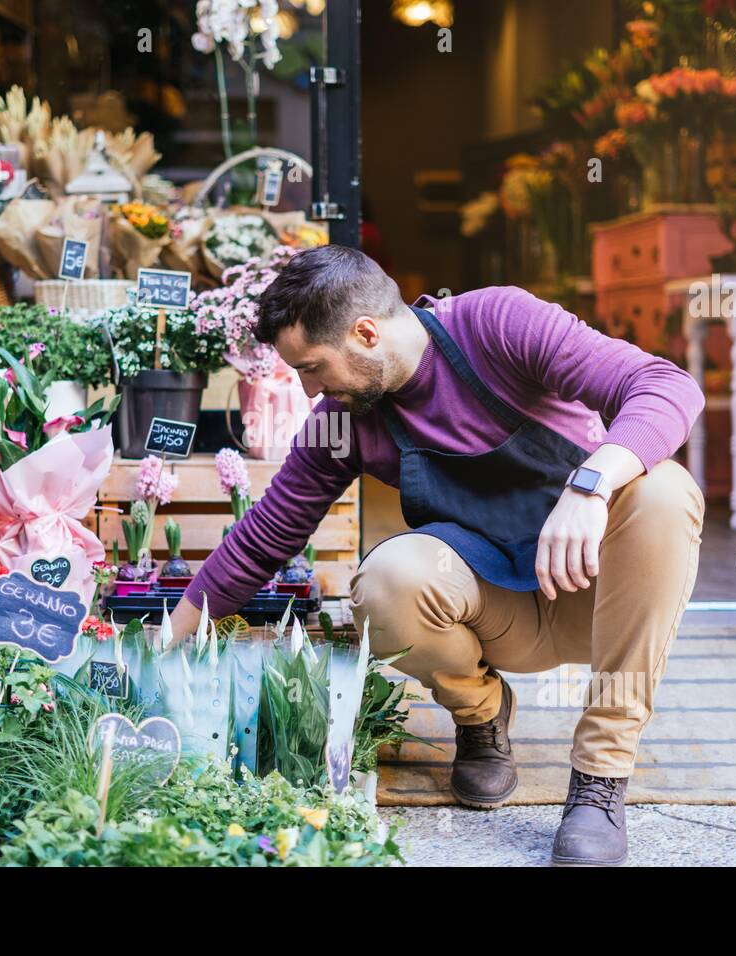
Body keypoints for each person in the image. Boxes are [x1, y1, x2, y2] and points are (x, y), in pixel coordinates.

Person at [169, 244, 705, 866]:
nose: (309, 388)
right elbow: (266, 535)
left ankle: (599, 779)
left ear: (365, 333)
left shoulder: (498, 325)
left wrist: (591, 484)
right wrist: (167, 641)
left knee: (663, 491)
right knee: (387, 580)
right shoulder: (343, 420)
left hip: (599, 597)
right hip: (499, 614)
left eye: (312, 367)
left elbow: (667, 385)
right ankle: (481, 715)